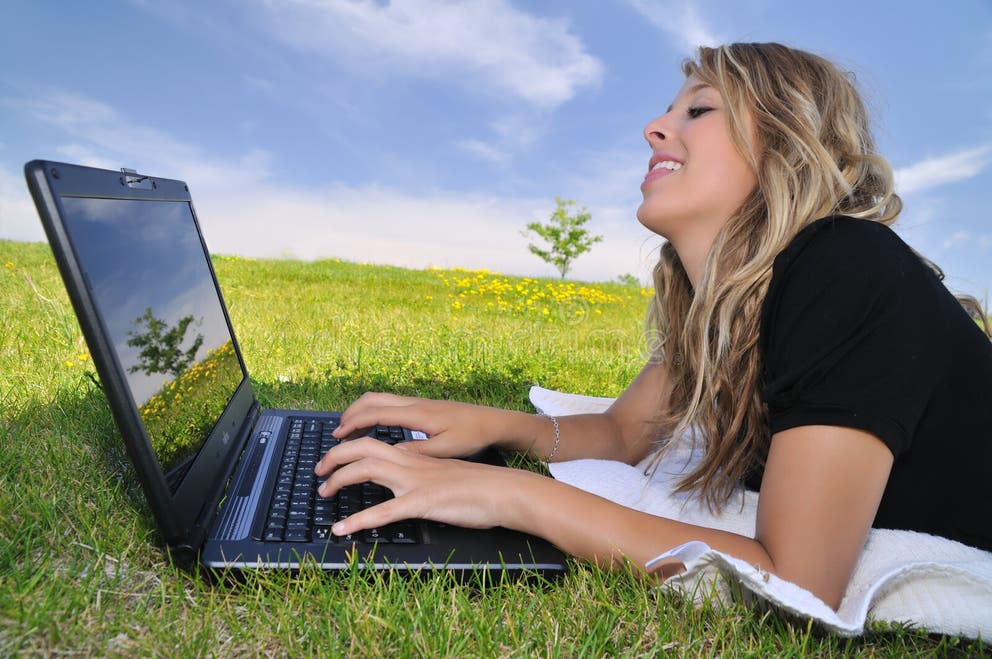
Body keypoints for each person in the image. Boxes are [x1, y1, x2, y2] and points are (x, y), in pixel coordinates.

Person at [314, 42, 992, 610]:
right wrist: (490, 425)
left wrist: (505, 494)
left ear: (787, 143)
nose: (654, 128)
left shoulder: (845, 266)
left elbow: (795, 578)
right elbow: (620, 433)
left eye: (699, 109)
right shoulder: (719, 303)